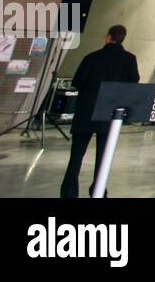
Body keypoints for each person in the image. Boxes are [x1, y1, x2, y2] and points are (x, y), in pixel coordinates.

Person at [60, 24, 140, 198]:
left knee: (76, 156)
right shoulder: (129, 59)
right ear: (122, 38)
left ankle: (69, 193)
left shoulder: (92, 57)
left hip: (86, 113)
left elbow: (78, 81)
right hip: (111, 115)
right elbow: (133, 83)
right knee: (104, 157)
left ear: (108, 37)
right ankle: (98, 191)